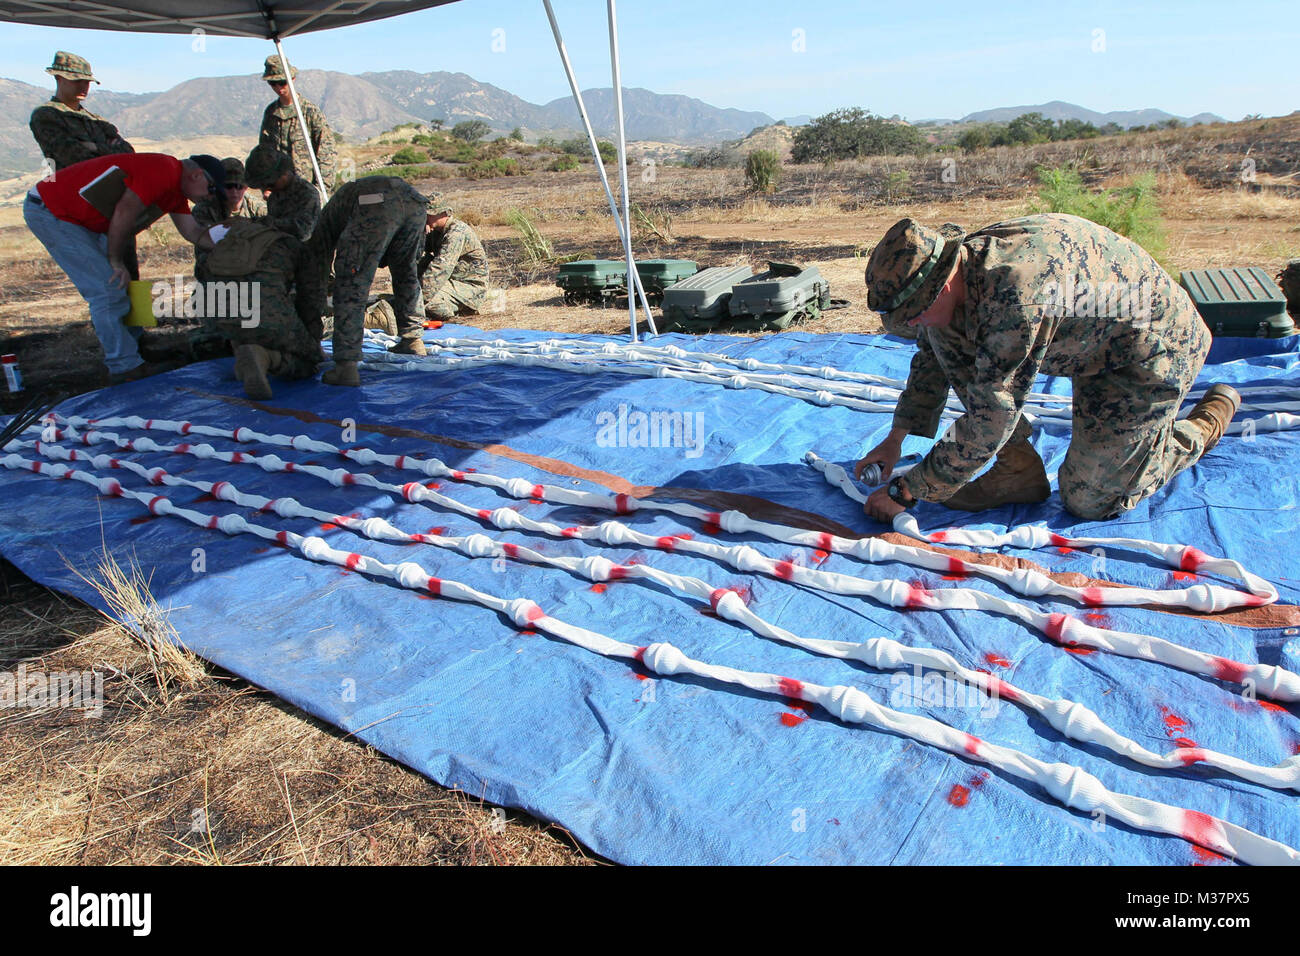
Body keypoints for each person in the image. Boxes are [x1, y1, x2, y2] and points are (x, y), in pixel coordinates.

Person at [856, 214, 1240, 523]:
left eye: (916, 315)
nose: (917, 325)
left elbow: (993, 416)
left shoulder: (1013, 296)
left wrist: (907, 490)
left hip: (1151, 350)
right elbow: (931, 359)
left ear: (940, 287)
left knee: (1091, 500)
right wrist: (895, 439)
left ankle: (1203, 425)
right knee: (945, 336)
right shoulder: (961, 271)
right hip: (1095, 340)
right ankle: (1017, 471)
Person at [23, 152, 226, 383]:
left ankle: (134, 354)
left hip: (81, 219)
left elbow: (194, 233)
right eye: (211, 189)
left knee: (121, 286)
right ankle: (124, 368)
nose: (210, 197)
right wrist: (116, 261)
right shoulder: (165, 170)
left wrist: (233, 240)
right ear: (197, 175)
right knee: (107, 289)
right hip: (53, 211)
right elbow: (125, 211)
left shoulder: (175, 190)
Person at [305, 177, 428, 386]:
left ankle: (346, 366)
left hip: (377, 204)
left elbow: (318, 269)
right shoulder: (343, 204)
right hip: (414, 202)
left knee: (351, 283)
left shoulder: (325, 225)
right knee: (406, 273)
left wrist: (313, 334)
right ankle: (413, 340)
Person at [195, 219, 322, 400]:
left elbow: (202, 275)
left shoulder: (229, 239)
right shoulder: (290, 245)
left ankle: (242, 352)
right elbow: (310, 301)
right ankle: (267, 358)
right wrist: (312, 343)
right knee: (310, 361)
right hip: (264, 314)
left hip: (215, 317)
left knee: (240, 321)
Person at [28, 51, 133, 171]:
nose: (83, 86)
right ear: (58, 78)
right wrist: (107, 148)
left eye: (87, 82)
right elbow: (75, 157)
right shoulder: (46, 115)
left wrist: (94, 147)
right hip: (72, 186)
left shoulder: (95, 120)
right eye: (77, 81)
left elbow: (128, 152)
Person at [257, 55, 336, 194]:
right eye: (272, 83)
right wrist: (267, 187)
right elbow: (265, 153)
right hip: (279, 193)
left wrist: (320, 190)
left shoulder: (310, 112)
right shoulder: (271, 113)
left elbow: (326, 153)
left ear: (292, 79)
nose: (278, 88)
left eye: (282, 82)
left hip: (307, 190)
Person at [418, 195, 489, 320]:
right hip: (452, 282)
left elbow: (441, 266)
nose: (426, 218)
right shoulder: (438, 232)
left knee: (427, 302)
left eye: (430, 214)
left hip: (469, 286)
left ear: (444, 213)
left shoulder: (456, 232)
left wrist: (418, 297)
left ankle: (451, 318)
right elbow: (417, 251)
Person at [192, 157, 266, 276]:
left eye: (239, 186)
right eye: (228, 186)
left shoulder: (258, 209)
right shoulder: (204, 210)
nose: (234, 192)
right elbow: (205, 245)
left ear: (246, 187)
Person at [243, 145, 321, 242]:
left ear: (285, 174)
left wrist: (267, 223)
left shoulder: (308, 194)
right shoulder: (276, 195)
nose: (267, 188)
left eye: (270, 184)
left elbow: (303, 232)